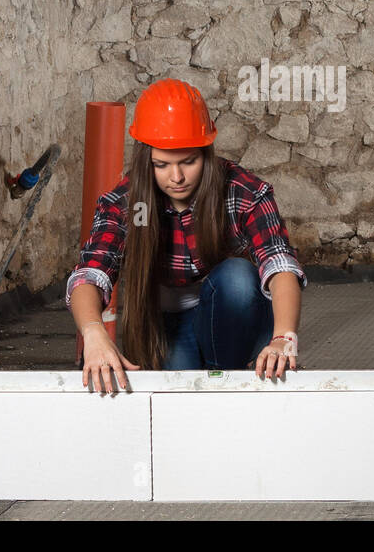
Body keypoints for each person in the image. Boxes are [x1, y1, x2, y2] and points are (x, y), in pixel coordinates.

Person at [67, 78, 307, 394]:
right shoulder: (126, 204)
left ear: (205, 153)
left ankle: (230, 374)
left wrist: (283, 338)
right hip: (168, 326)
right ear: (146, 161)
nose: (177, 177)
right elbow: (90, 274)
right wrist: (94, 334)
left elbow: (279, 265)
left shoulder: (242, 191)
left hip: (230, 316)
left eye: (188, 162)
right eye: (162, 165)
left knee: (237, 278)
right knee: (180, 399)